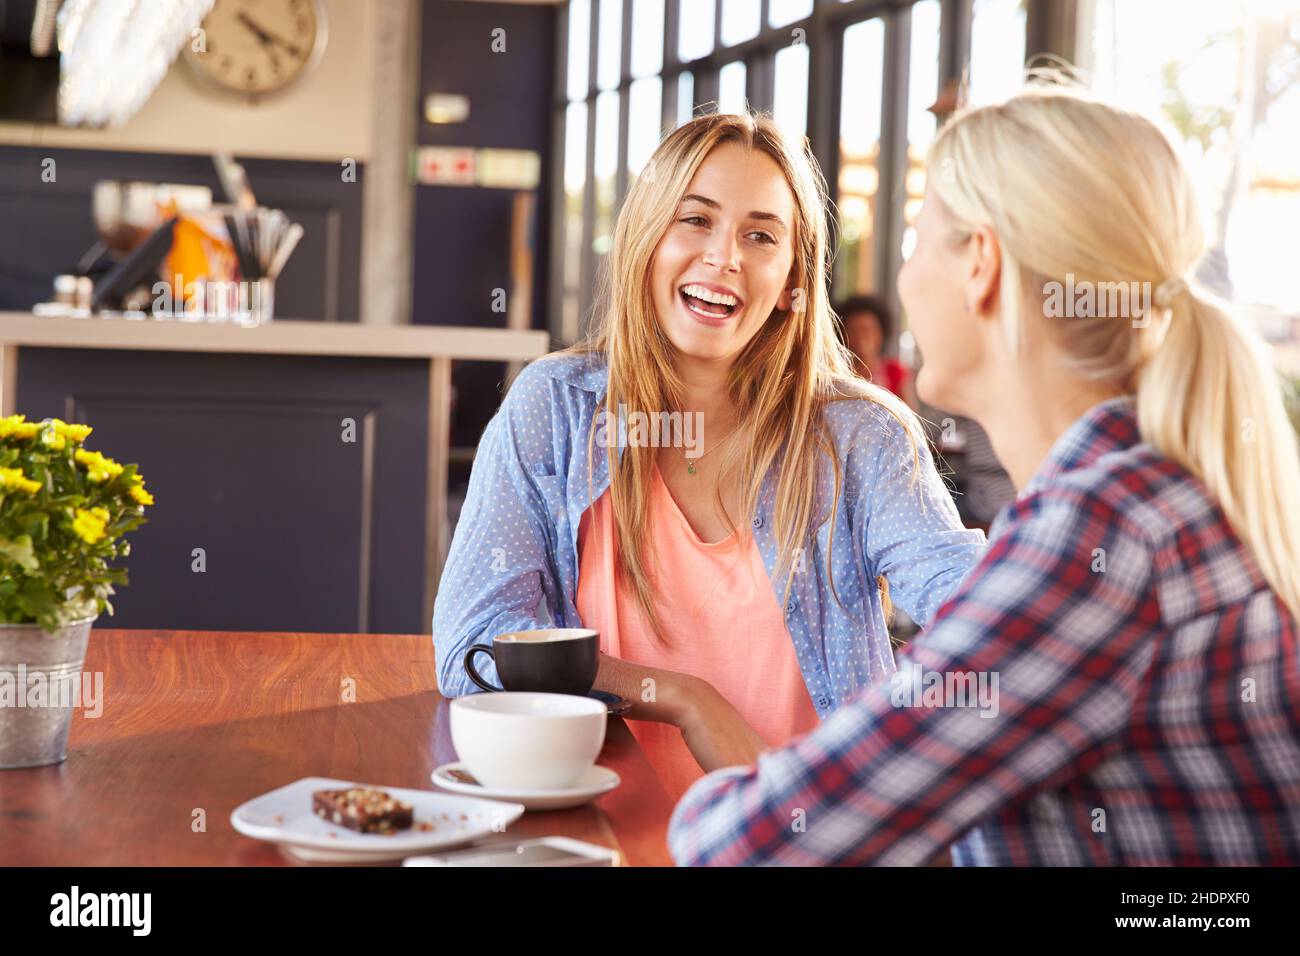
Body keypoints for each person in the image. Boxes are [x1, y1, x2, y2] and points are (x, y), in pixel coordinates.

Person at [668, 84, 1300, 865]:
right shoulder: (1160, 490)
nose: (902, 280)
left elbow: (746, 844)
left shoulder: (1101, 533)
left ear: (982, 267)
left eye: (917, 243)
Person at [433, 112, 986, 803]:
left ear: (793, 278)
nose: (724, 257)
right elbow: (477, 648)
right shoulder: (556, 411)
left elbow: (976, 617)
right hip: (609, 834)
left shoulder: (860, 436)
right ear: (647, 240)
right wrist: (686, 699)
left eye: (760, 235)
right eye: (695, 220)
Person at [836, 294, 912, 401]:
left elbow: (908, 415)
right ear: (843, 335)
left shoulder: (895, 372)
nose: (861, 337)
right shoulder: (836, 372)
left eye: (867, 330)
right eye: (853, 331)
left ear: (881, 333)